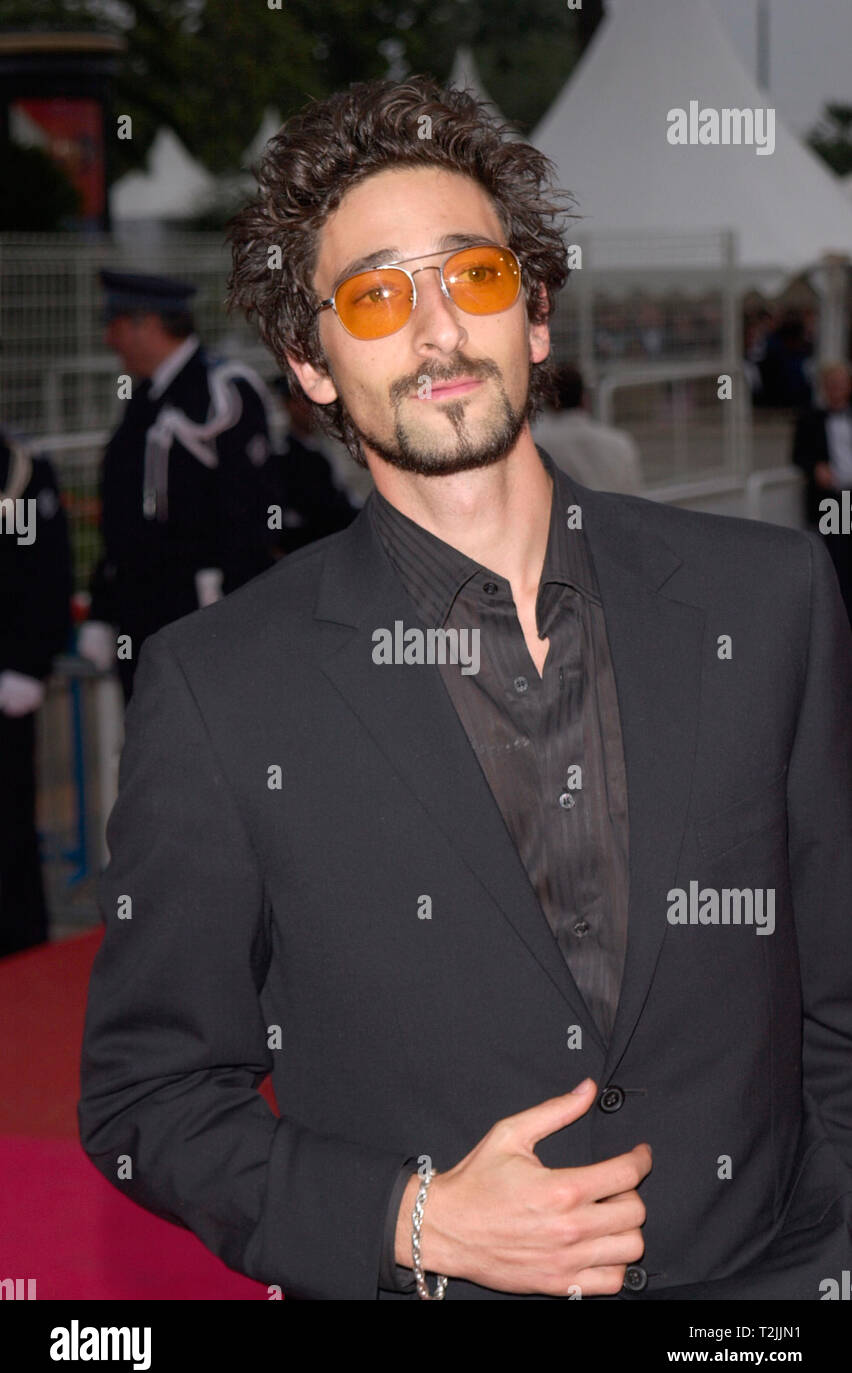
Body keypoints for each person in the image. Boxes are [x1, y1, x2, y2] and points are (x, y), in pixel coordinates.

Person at [79, 76, 852, 1301]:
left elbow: (837, 993)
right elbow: (147, 1098)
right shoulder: (222, 688)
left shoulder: (768, 600)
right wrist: (414, 1221)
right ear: (311, 362)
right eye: (376, 295)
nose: (437, 332)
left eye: (473, 277)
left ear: (536, 313)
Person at [78, 270, 277, 703]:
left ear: (145, 324)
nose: (109, 340)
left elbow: (248, 509)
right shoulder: (147, 395)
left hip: (202, 617)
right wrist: (104, 606)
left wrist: (227, 601)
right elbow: (127, 518)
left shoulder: (221, 390)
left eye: (114, 325)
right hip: (146, 616)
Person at [0, 429, 72, 957]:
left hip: (5, 685)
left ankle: (21, 955)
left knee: (9, 830)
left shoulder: (17, 468)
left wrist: (26, 664)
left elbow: (44, 571)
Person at [265, 375, 360, 556]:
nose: (310, 409)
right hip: (308, 548)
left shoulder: (319, 448)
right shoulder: (283, 457)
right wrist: (276, 538)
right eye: (302, 402)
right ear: (288, 405)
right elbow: (273, 505)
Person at [792, 361, 852, 627]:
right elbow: (797, 455)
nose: (837, 389)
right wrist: (816, 467)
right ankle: (842, 616)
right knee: (839, 556)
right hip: (834, 497)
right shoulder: (811, 417)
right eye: (832, 384)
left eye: (841, 384)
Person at [532, 363, 642, 493]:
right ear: (585, 399)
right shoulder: (620, 443)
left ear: (547, 400)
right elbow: (634, 495)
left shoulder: (537, 445)